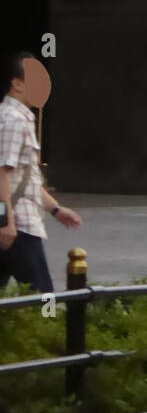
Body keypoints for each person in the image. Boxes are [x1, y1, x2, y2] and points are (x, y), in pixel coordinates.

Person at [0, 51, 82, 293]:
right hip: (18, 226)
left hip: (16, 222)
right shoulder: (12, 120)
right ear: (17, 84)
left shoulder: (17, 118)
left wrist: (55, 209)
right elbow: (1, 173)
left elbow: (26, 179)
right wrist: (5, 221)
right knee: (43, 299)